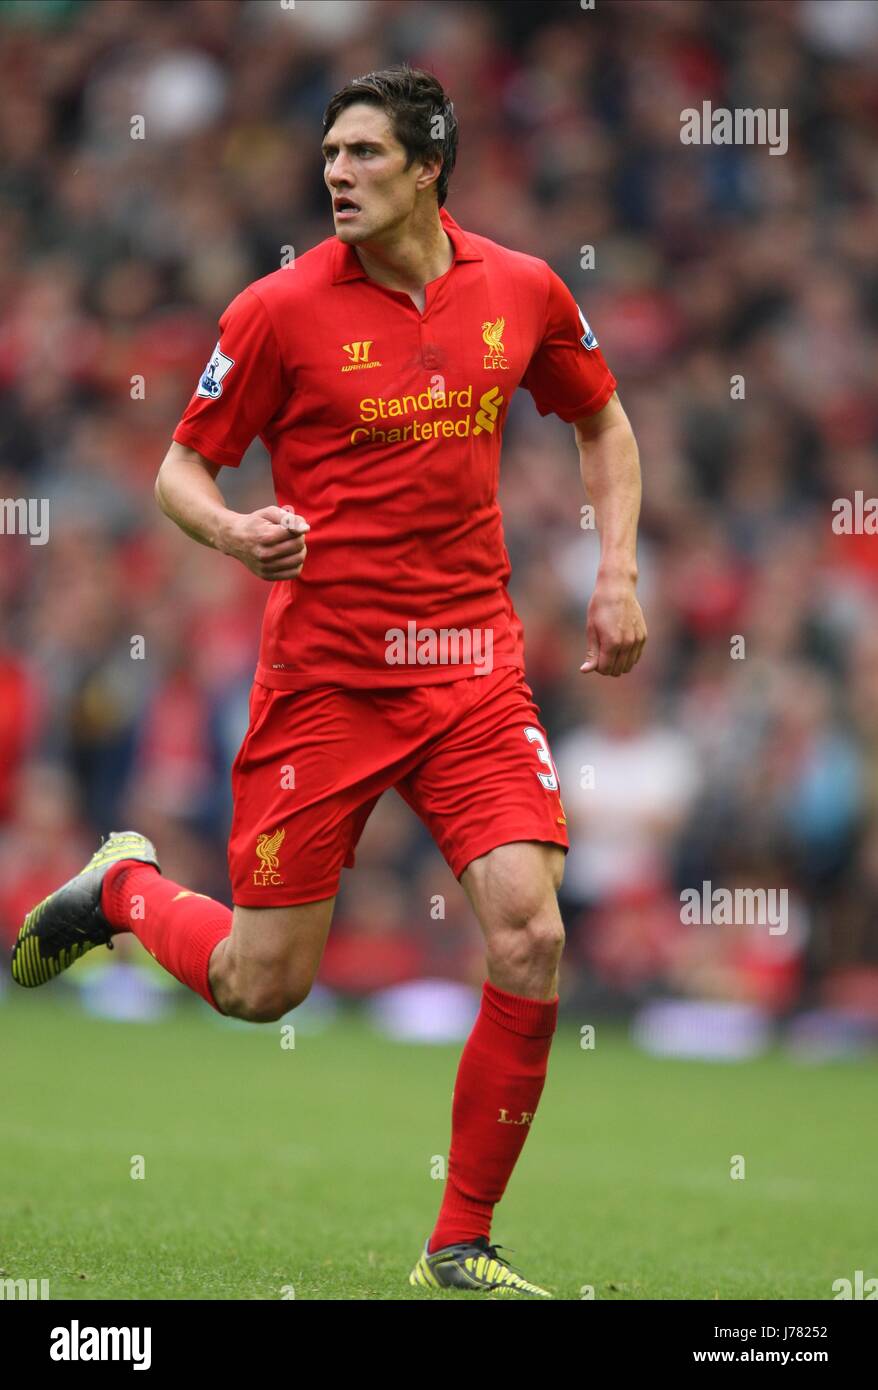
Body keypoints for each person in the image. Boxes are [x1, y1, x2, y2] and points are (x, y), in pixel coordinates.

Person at [11, 65, 646, 1297]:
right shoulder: (275, 309)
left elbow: (602, 420)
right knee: (263, 983)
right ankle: (125, 888)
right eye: (329, 154)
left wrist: (614, 571)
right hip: (328, 685)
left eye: (363, 154)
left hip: (472, 670)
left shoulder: (520, 288)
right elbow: (177, 473)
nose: (337, 174)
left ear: (427, 169)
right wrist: (234, 529)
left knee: (530, 931)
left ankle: (457, 1246)